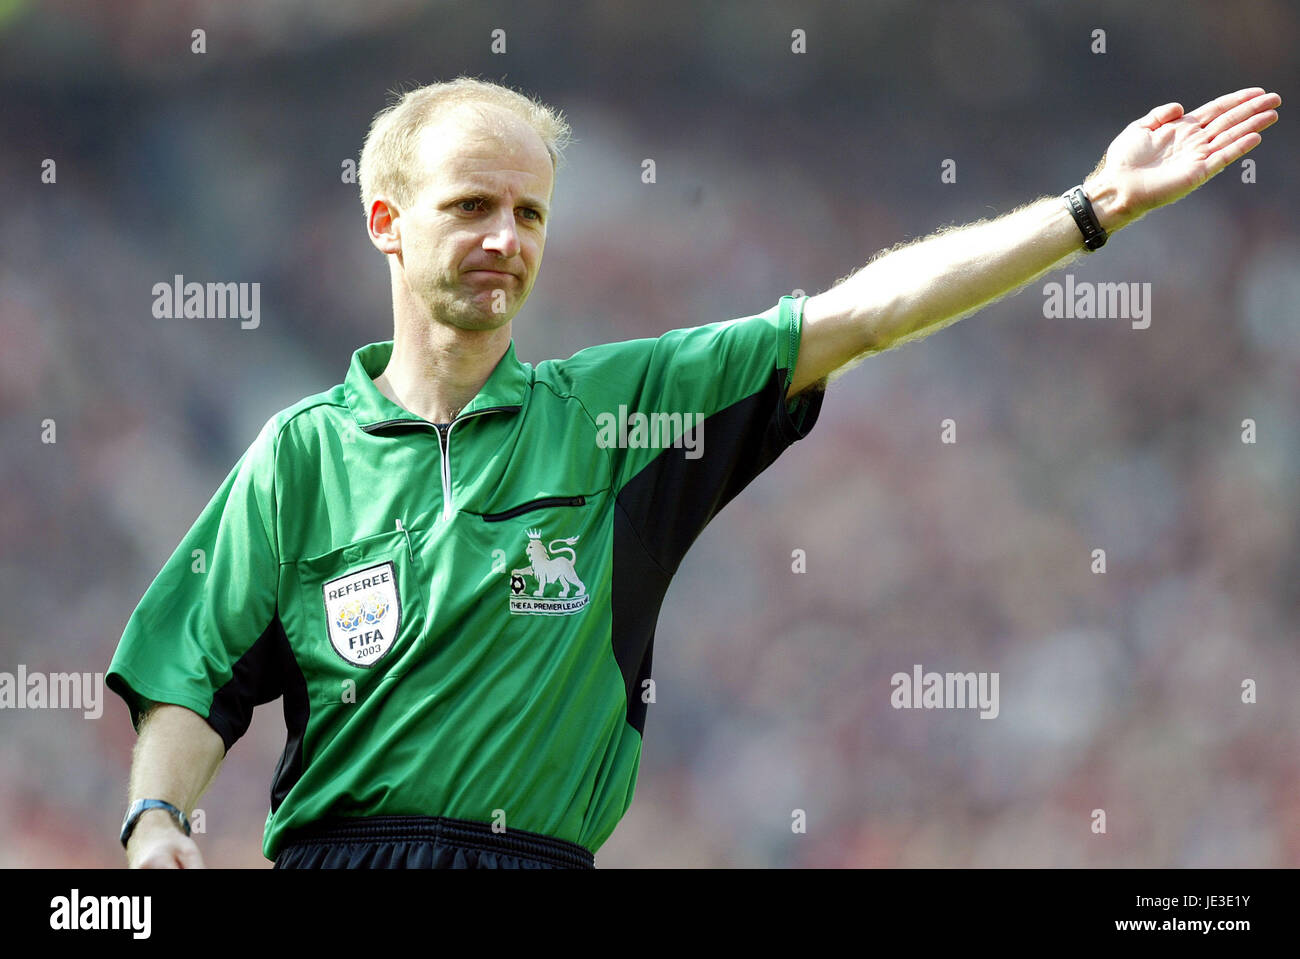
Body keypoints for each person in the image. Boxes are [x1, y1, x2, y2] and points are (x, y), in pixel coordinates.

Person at [108, 77, 1280, 868]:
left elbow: (861, 314)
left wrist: (1092, 208)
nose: (505, 240)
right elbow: (193, 670)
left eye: (529, 212)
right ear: (385, 221)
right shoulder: (299, 454)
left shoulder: (623, 411)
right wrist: (156, 816)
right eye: (470, 207)